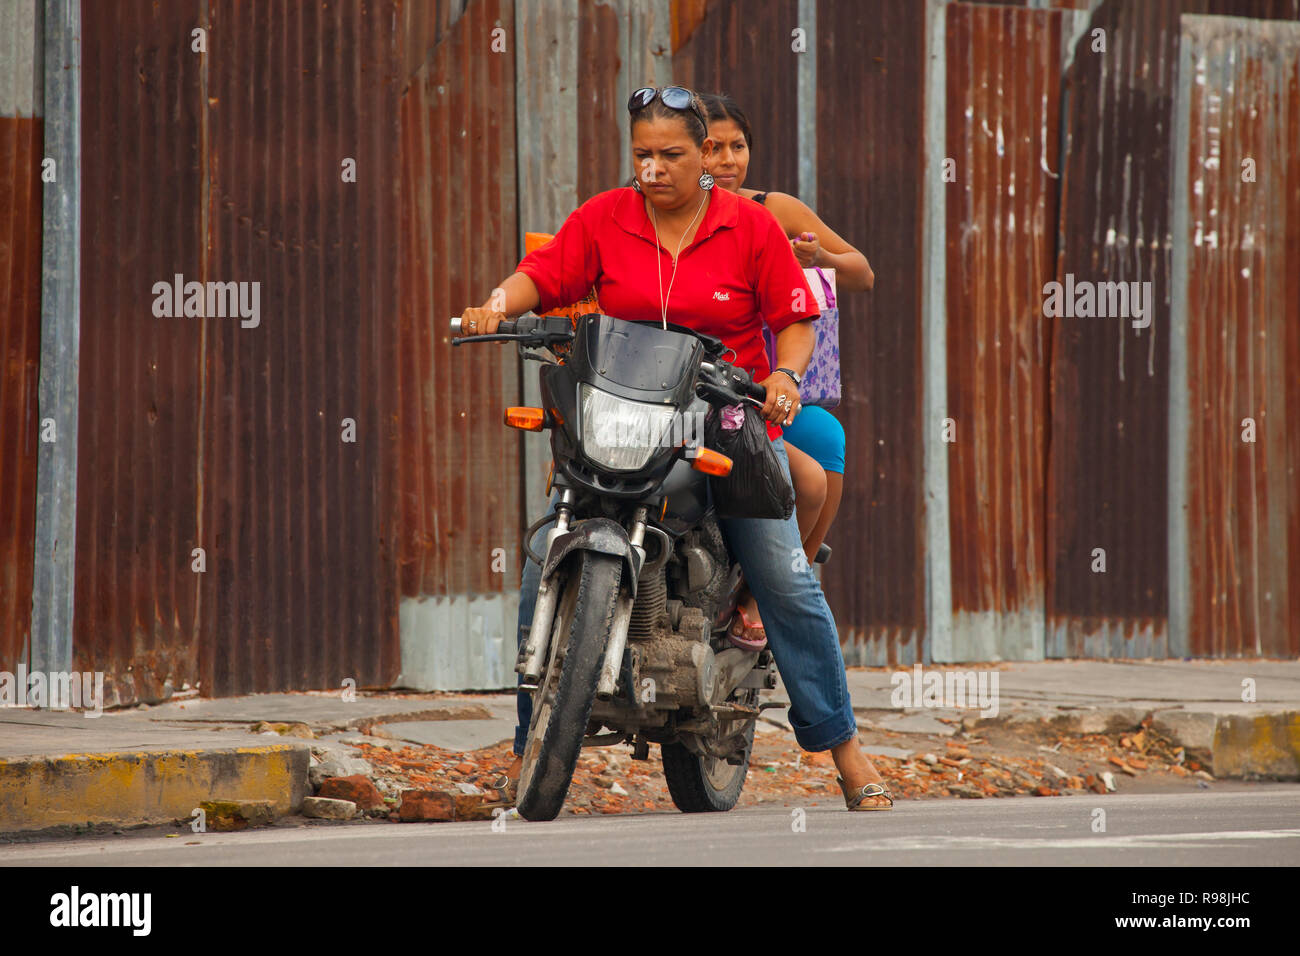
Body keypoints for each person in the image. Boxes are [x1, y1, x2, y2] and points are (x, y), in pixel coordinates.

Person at [455, 85, 892, 811]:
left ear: (703, 157)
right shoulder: (605, 216)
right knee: (543, 560)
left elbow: (795, 317)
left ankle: (846, 752)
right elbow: (544, 275)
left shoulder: (750, 227)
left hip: (725, 422)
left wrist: (784, 375)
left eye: (671, 155)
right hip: (623, 415)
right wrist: (495, 306)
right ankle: (530, 745)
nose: (653, 169)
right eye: (642, 154)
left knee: (786, 581)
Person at [700, 92, 873, 648]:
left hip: (766, 383)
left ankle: (768, 593)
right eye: (712, 148)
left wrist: (818, 258)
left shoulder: (775, 209)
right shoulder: (666, 210)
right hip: (691, 384)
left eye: (738, 146)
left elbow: (863, 272)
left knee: (825, 438)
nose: (727, 161)